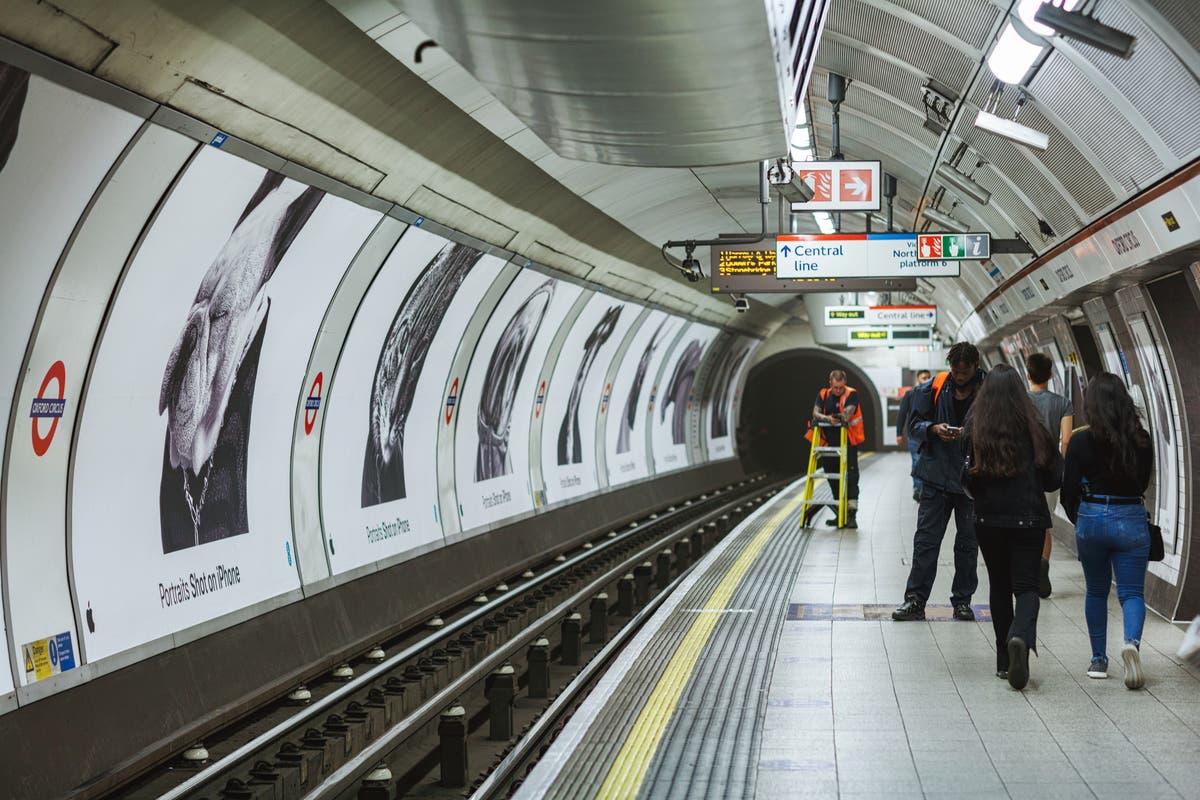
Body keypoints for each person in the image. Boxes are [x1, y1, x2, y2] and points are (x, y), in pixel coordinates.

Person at [962, 364, 1062, 690]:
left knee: (999, 586)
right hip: (1029, 519)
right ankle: (1020, 635)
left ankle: (1004, 661)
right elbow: (1053, 479)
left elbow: (966, 477)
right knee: (1027, 588)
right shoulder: (1035, 428)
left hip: (988, 520)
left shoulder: (975, 427)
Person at [1062, 373, 1153, 689]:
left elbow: (1068, 488)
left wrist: (1082, 518)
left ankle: (1098, 660)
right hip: (1130, 517)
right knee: (1131, 593)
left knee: (1097, 590)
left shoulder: (1080, 440)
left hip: (1093, 517)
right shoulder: (1141, 439)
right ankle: (1131, 644)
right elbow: (1143, 483)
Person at [893, 343, 983, 622]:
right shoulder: (931, 388)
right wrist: (933, 429)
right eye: (955, 371)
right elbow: (914, 426)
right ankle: (915, 600)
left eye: (965, 372)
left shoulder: (989, 392)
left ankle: (962, 601)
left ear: (975, 368)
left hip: (972, 479)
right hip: (935, 477)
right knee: (926, 541)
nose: (959, 376)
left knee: (968, 543)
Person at [1026, 353, 1073, 599]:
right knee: (1044, 524)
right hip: (1050, 471)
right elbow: (1066, 439)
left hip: (1024, 471)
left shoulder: (1020, 401)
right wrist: (1062, 468)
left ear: (1027, 374)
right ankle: (1042, 568)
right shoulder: (1063, 403)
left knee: (1024, 523)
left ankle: (1027, 573)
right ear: (1051, 375)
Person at [804, 370, 864, 529]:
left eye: (841, 387)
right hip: (827, 444)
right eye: (836, 387)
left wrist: (837, 417)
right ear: (830, 383)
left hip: (848, 443)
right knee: (833, 478)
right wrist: (828, 419)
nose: (838, 391)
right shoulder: (823, 395)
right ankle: (840, 513)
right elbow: (815, 413)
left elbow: (847, 415)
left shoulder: (851, 394)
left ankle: (851, 515)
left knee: (851, 478)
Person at [897, 369, 932, 502]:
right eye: (924, 378)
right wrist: (899, 433)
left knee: (928, 461)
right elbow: (902, 414)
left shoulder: (933, 394)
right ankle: (918, 489)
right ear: (918, 379)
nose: (927, 380)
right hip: (914, 434)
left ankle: (925, 488)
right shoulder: (910, 394)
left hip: (929, 433)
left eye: (928, 377)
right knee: (917, 461)